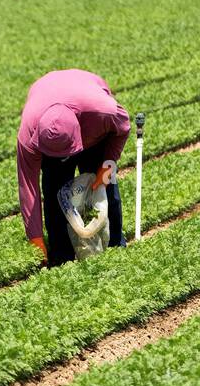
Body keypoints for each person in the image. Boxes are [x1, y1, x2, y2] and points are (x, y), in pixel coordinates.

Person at [16, 69, 130, 267]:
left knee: (105, 188)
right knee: (55, 192)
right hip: (46, 94)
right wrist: (35, 239)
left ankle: (114, 247)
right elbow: (28, 188)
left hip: (92, 126)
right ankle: (62, 258)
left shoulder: (102, 111)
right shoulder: (28, 135)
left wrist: (106, 167)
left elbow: (123, 128)